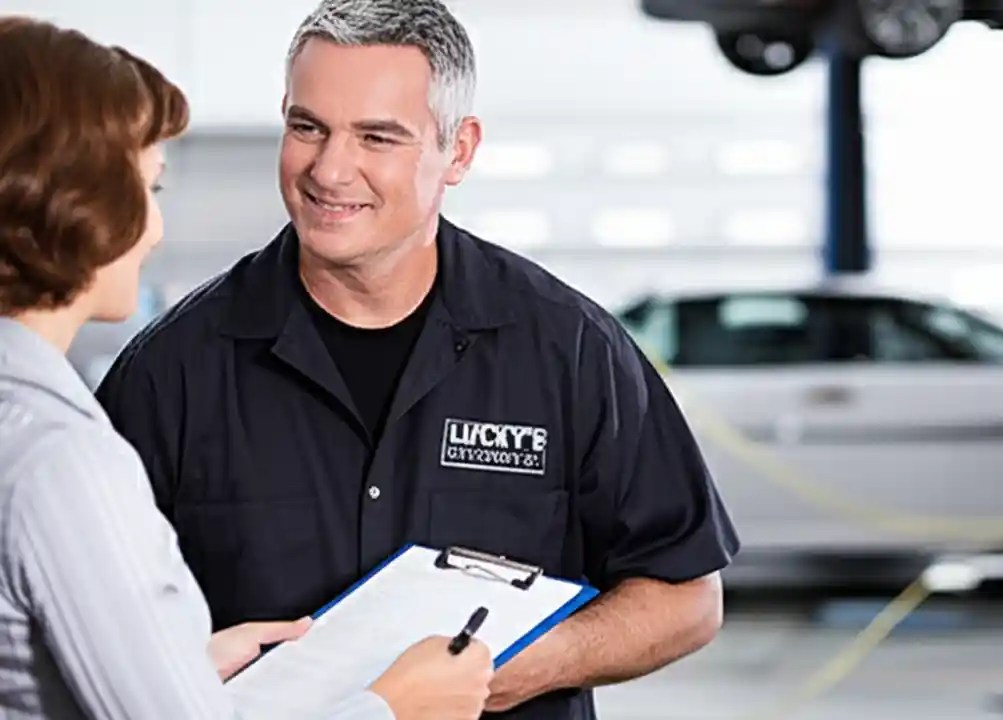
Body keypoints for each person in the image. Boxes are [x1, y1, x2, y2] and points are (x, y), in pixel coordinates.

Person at [96, 0, 741, 717]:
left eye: (377, 137)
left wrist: (521, 668)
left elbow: (686, 594)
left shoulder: (570, 349)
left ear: (458, 151)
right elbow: (90, 626)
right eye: (307, 127)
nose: (330, 170)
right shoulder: (172, 372)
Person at [0, 16, 493, 720]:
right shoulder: (65, 459)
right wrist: (394, 709)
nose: (154, 228)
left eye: (377, 136)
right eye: (149, 188)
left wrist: (175, 667)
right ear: (67, 203)